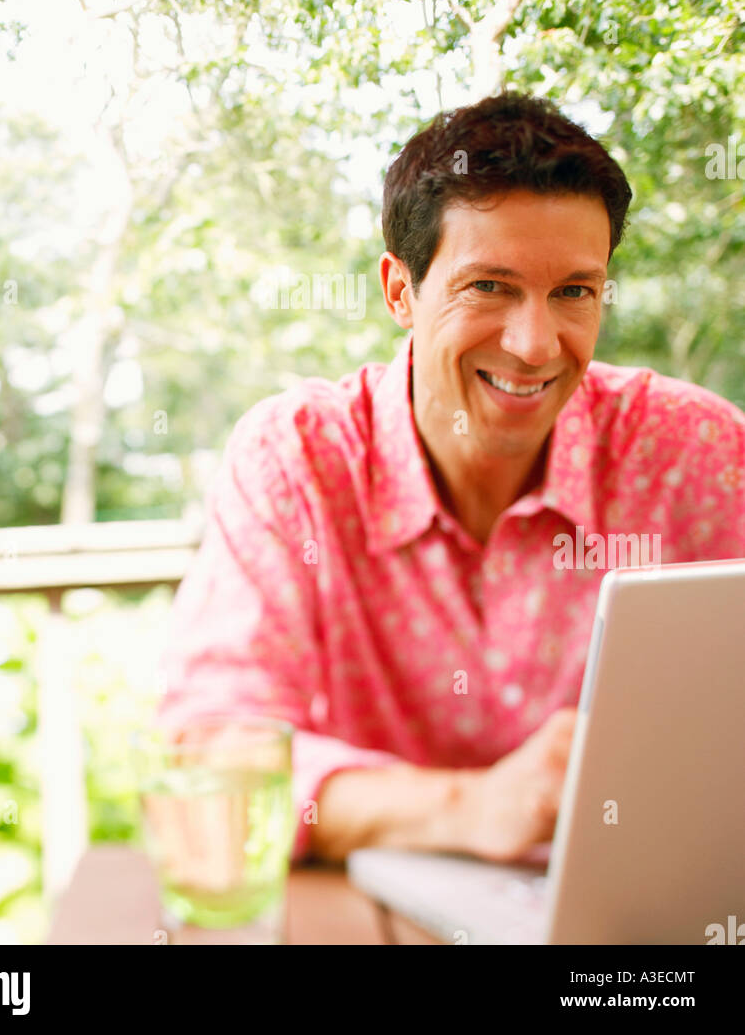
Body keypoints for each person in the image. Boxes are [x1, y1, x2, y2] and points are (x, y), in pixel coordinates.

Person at [155, 92, 745, 865]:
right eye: (489, 286)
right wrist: (471, 808)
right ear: (401, 291)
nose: (536, 346)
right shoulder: (296, 457)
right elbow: (212, 759)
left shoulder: (696, 450)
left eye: (573, 291)